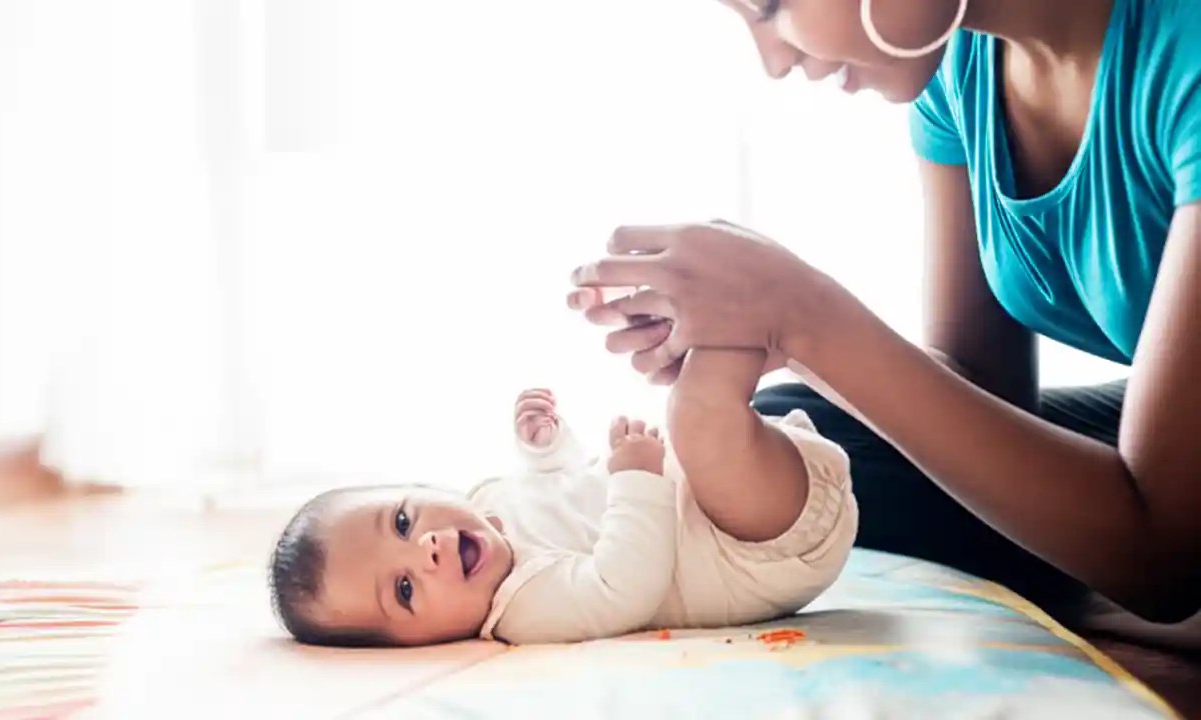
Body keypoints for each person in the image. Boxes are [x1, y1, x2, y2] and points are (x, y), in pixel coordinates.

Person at [569, 0, 1200, 623]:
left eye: (770, 5)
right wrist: (770, 335)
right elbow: (982, 390)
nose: (773, 59)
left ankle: (1101, 602)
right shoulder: (960, 63)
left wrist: (804, 315)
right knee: (803, 438)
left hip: (1164, 531)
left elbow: (1164, 557)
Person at [268, 349, 857, 646]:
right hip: (754, 547)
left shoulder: (489, 506)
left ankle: (757, 335)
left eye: (400, 521)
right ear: (415, 643)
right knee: (698, 410)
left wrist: (546, 449)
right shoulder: (523, 608)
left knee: (705, 416)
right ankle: (753, 326)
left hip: (727, 483)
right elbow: (622, 586)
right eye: (404, 589)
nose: (425, 549)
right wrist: (635, 480)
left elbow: (568, 495)